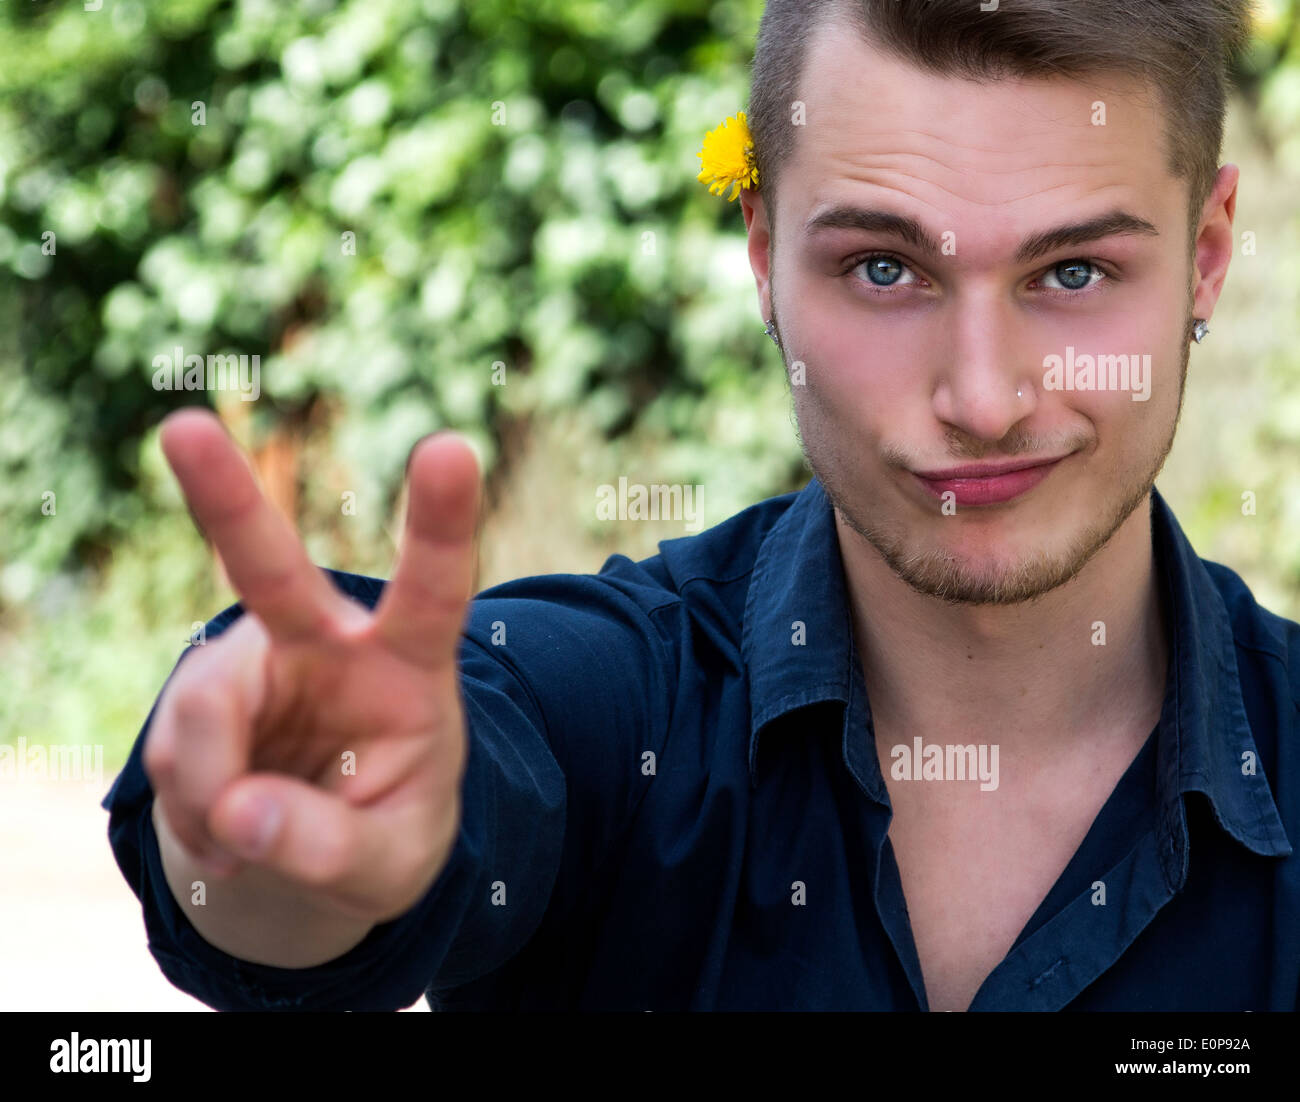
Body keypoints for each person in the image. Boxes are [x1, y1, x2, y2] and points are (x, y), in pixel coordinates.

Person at [105, 0, 1298, 1011]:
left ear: (1204, 255)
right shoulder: (621, 709)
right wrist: (297, 832)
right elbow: (465, 750)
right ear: (763, 257)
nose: (982, 398)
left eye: (1073, 272)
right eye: (884, 269)